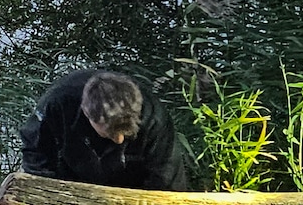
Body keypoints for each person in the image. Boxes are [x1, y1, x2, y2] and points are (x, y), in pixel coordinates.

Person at [20, 70, 188, 190]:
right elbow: (35, 152)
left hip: (133, 184)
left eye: (125, 130)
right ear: (87, 113)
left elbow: (167, 179)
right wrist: (50, 192)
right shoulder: (59, 102)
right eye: (110, 132)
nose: (119, 139)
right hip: (75, 178)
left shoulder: (154, 118)